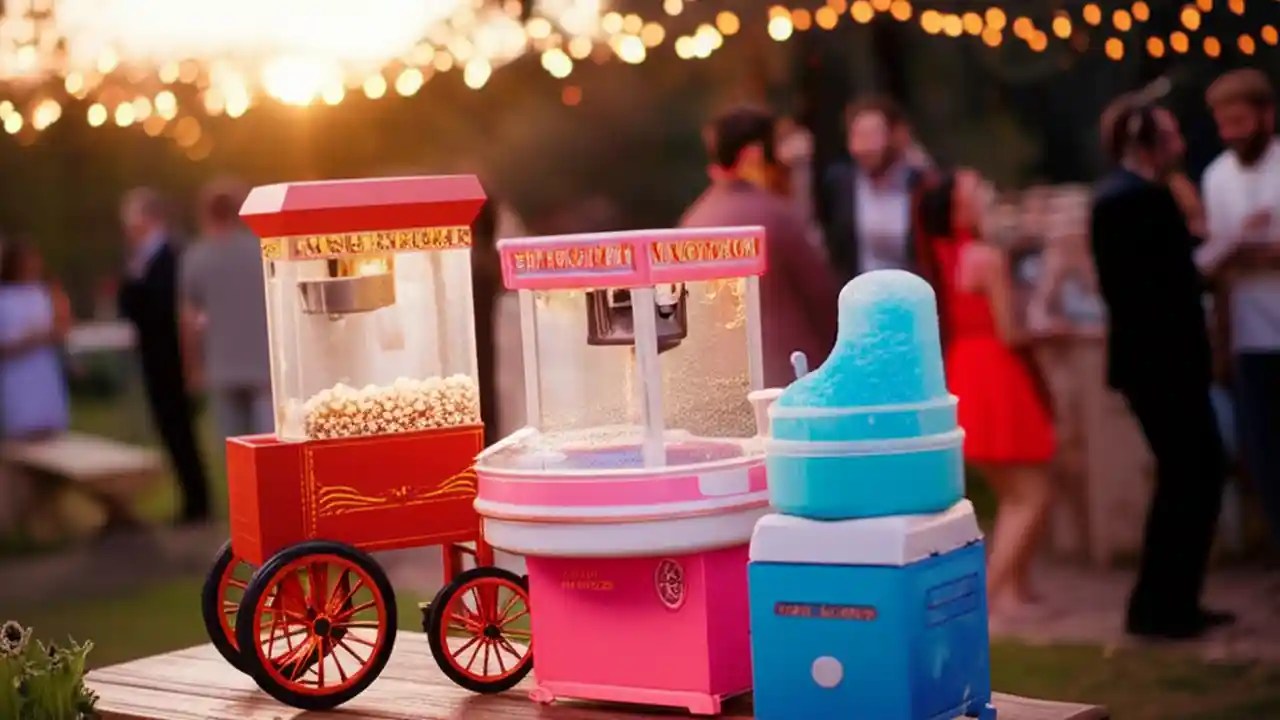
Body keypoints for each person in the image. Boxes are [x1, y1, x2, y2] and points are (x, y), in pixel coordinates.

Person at [1091, 99, 1233, 639]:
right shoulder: (1139, 199)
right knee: (1192, 475)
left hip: (1156, 364)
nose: (1179, 142)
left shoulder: (1124, 197)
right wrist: (1224, 248)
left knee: (1189, 476)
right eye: (1169, 133)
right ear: (1145, 141)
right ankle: (1161, 608)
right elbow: (1175, 277)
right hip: (1163, 365)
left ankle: (1171, 603)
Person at [919, 170, 1055, 621]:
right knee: (1030, 494)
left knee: (1012, 490)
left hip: (966, 368)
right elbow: (1011, 330)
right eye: (976, 192)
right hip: (997, 371)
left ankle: (1014, 588)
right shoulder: (985, 256)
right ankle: (993, 596)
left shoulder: (945, 253)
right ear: (960, 207)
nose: (986, 196)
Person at [680, 105, 840, 387]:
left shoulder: (694, 219)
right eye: (778, 148)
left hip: (721, 382)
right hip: (790, 378)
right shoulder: (774, 216)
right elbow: (822, 300)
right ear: (754, 154)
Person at [1196, 69, 1280, 549]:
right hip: (1249, 338)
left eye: (1241, 121)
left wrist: (1242, 250)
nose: (1232, 134)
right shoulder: (1216, 177)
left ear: (1266, 116)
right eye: (1224, 124)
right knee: (1265, 456)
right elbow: (1215, 263)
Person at [119, 187, 211, 525]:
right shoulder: (138, 258)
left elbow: (168, 306)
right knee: (168, 430)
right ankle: (190, 498)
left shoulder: (171, 256)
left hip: (172, 356)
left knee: (181, 430)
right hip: (153, 357)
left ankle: (198, 501)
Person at [180, 178, 272, 441]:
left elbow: (188, 320)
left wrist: (192, 368)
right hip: (264, 365)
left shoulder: (197, 257)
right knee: (268, 445)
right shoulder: (261, 249)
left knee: (235, 449)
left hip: (221, 366)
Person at [817, 97, 928, 284]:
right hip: (861, 296)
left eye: (872, 136)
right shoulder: (839, 183)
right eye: (856, 136)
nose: (863, 147)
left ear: (896, 135)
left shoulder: (922, 185)